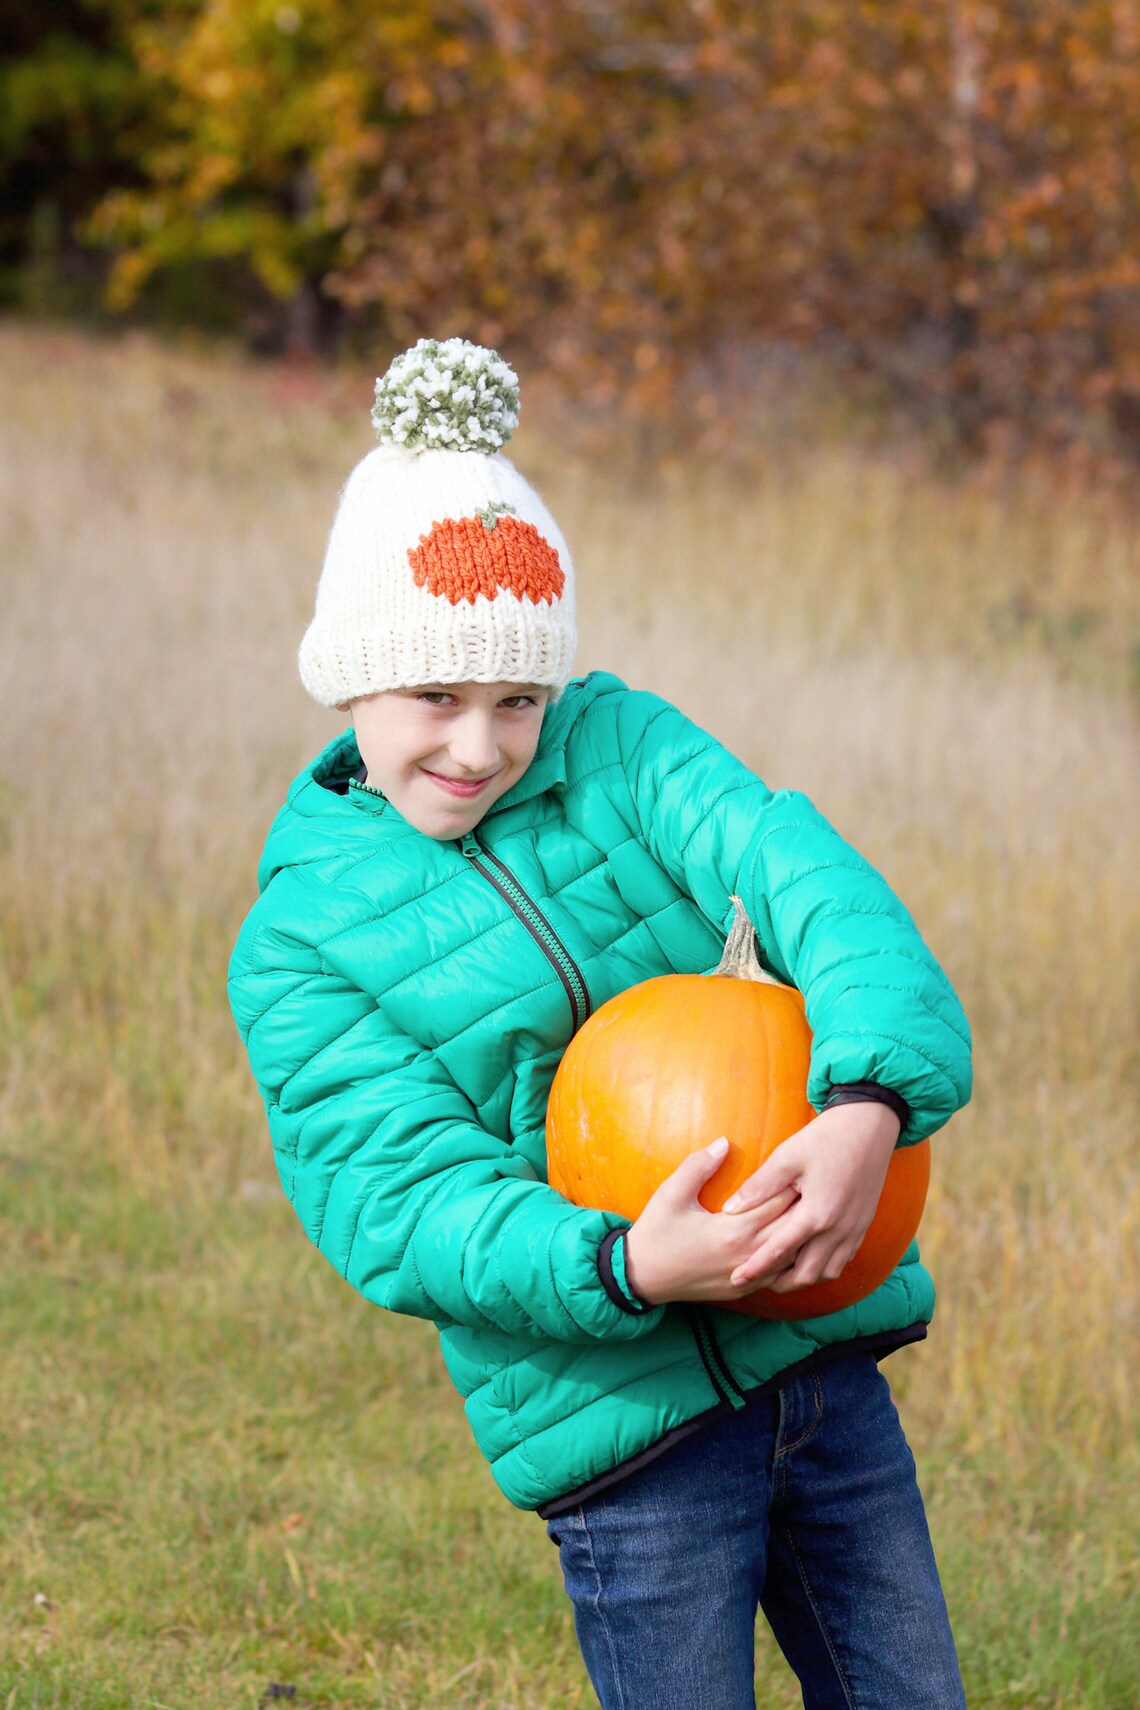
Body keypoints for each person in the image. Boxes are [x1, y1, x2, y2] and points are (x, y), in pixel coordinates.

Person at [229, 337, 973, 1709]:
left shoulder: (624, 753)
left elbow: (814, 882)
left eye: (519, 695)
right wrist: (632, 1262)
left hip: (820, 1353)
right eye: (433, 695)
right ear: (350, 681)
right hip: (618, 1435)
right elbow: (402, 1205)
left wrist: (872, 1100)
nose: (481, 742)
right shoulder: (300, 944)